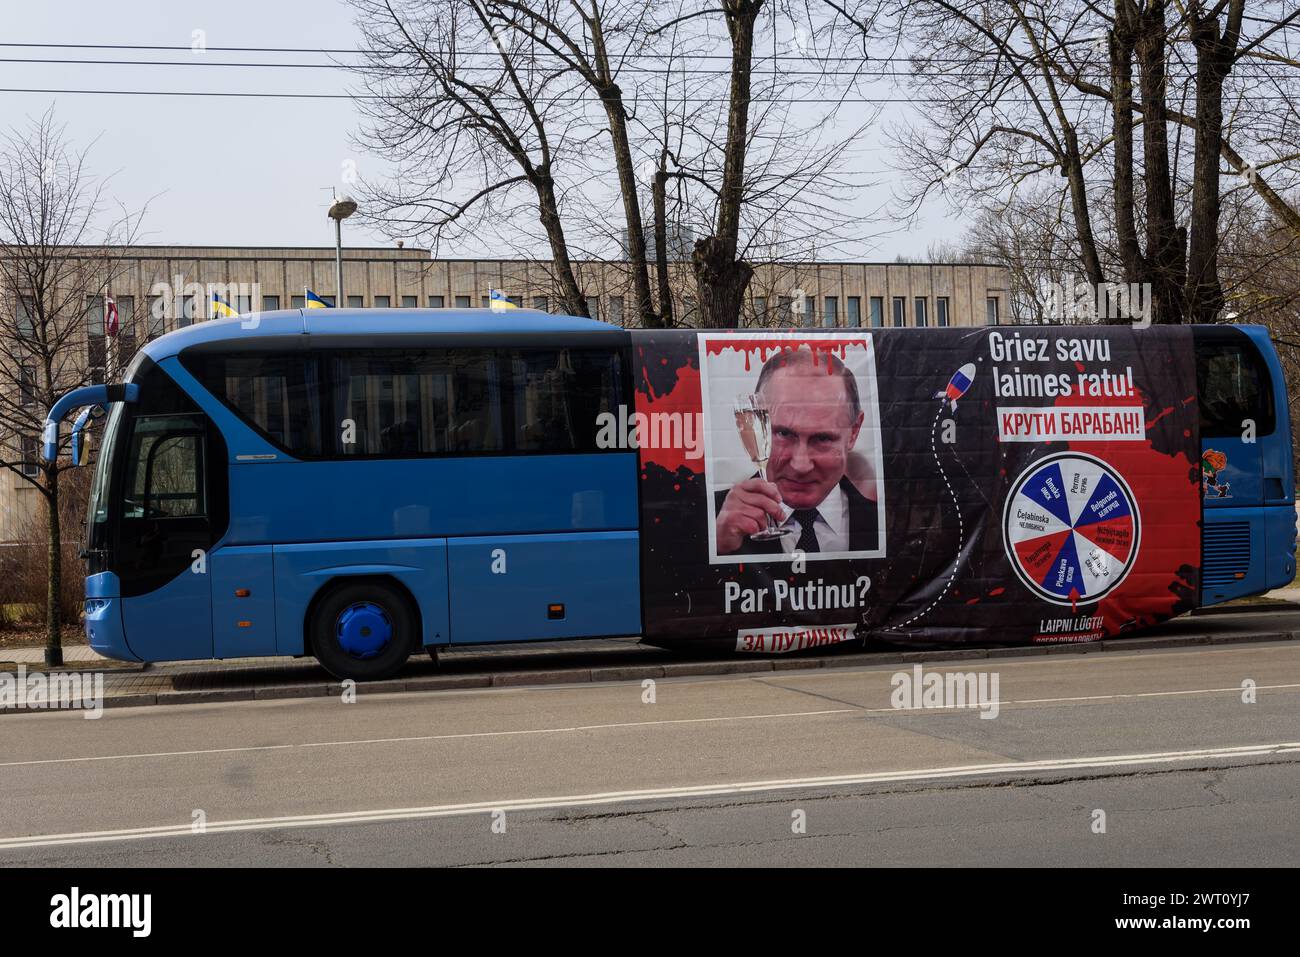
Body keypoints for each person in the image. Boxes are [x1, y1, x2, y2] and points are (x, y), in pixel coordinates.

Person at [715, 345, 878, 556]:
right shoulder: (712, 521)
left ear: (854, 432)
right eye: (783, 434)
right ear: (757, 425)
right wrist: (717, 547)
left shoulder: (888, 522)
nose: (801, 465)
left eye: (822, 438)